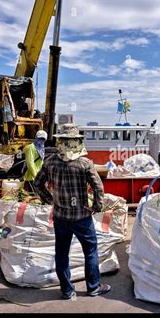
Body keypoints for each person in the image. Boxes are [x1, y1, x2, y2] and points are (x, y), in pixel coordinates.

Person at [34, 123, 110, 299]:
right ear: (77, 142)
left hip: (60, 217)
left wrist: (50, 199)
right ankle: (93, 287)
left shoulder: (50, 162)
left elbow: (37, 184)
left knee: (62, 253)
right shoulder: (85, 163)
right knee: (90, 251)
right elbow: (98, 187)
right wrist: (97, 207)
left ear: (60, 142)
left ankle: (67, 291)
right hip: (82, 216)